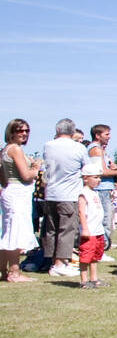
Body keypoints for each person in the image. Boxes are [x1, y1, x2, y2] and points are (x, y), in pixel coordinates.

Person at [40, 118, 89, 277]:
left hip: (51, 193)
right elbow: (86, 168)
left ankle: (54, 261)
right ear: (72, 132)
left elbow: (47, 170)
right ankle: (60, 263)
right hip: (69, 194)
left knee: (52, 230)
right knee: (67, 230)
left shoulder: (48, 146)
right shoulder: (79, 148)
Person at [1, 119, 40, 282]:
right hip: (18, 192)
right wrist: (36, 168)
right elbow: (25, 175)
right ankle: (14, 272)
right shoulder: (15, 149)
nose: (24, 133)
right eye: (19, 130)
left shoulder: (4, 150)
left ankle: (3, 270)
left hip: (9, 191)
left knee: (7, 231)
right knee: (15, 232)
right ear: (11, 132)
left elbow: (3, 179)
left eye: (26, 130)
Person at [86, 125, 117, 256]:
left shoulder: (99, 150)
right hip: (101, 189)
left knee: (106, 219)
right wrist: (116, 171)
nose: (109, 137)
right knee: (104, 219)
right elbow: (100, 171)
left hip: (104, 189)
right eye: (106, 134)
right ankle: (100, 250)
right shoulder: (96, 150)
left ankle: (101, 248)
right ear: (97, 135)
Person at [76, 160, 105, 289]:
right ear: (85, 178)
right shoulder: (83, 194)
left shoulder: (95, 192)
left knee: (95, 256)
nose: (98, 180)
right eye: (95, 177)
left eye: (99, 177)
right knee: (86, 256)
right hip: (90, 231)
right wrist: (85, 229)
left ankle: (94, 278)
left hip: (98, 230)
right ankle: (83, 280)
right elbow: (81, 212)